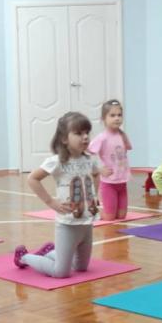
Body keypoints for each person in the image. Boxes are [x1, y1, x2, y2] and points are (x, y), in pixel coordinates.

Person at [14, 111, 100, 278]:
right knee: (60, 272)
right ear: (64, 139)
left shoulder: (89, 160)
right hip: (67, 224)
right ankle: (24, 257)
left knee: (81, 268)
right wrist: (51, 202)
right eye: (78, 133)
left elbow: (97, 175)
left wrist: (95, 195)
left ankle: (51, 252)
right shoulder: (57, 161)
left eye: (86, 133)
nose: (85, 137)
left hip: (86, 222)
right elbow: (33, 179)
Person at [89, 99, 131, 221]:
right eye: (112, 115)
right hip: (108, 183)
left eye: (119, 115)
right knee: (109, 217)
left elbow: (124, 152)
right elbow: (88, 153)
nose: (117, 118)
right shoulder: (102, 138)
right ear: (104, 119)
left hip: (122, 182)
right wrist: (99, 168)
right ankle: (93, 210)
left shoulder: (122, 135)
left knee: (122, 216)